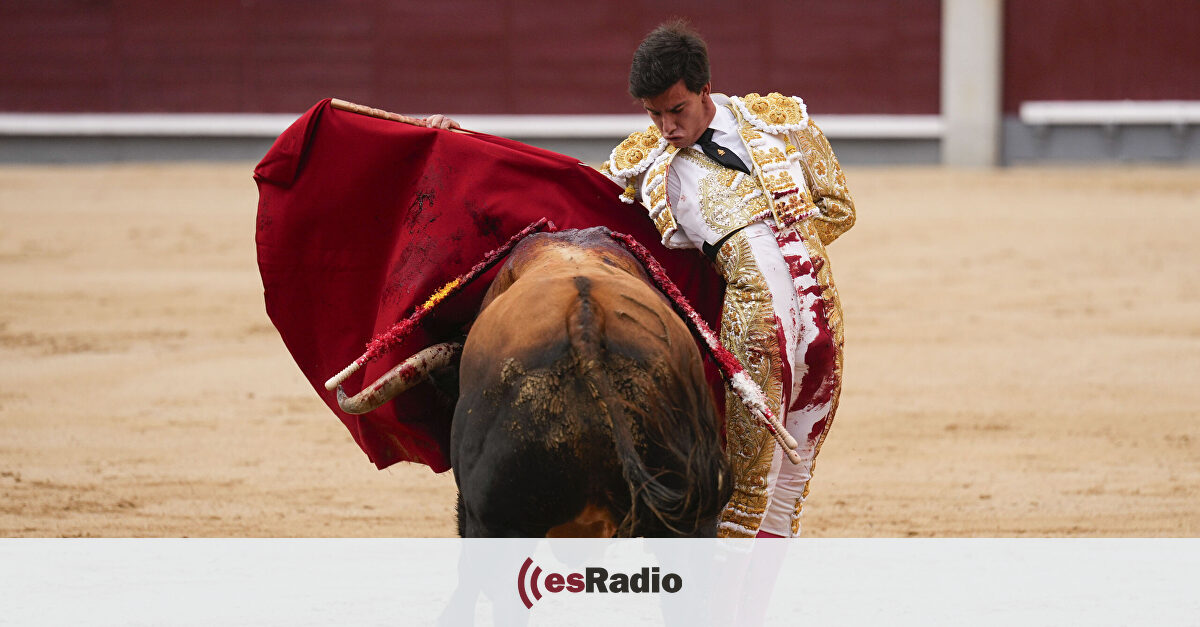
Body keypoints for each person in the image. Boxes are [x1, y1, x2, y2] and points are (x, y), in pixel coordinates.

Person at [600, 20, 855, 538]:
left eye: (677, 110)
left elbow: (840, 208)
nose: (667, 127)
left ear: (704, 90)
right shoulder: (644, 162)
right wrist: (746, 254)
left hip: (822, 315)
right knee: (746, 489)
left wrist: (786, 247)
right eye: (654, 115)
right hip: (753, 327)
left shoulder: (779, 121)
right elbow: (567, 190)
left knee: (792, 485)